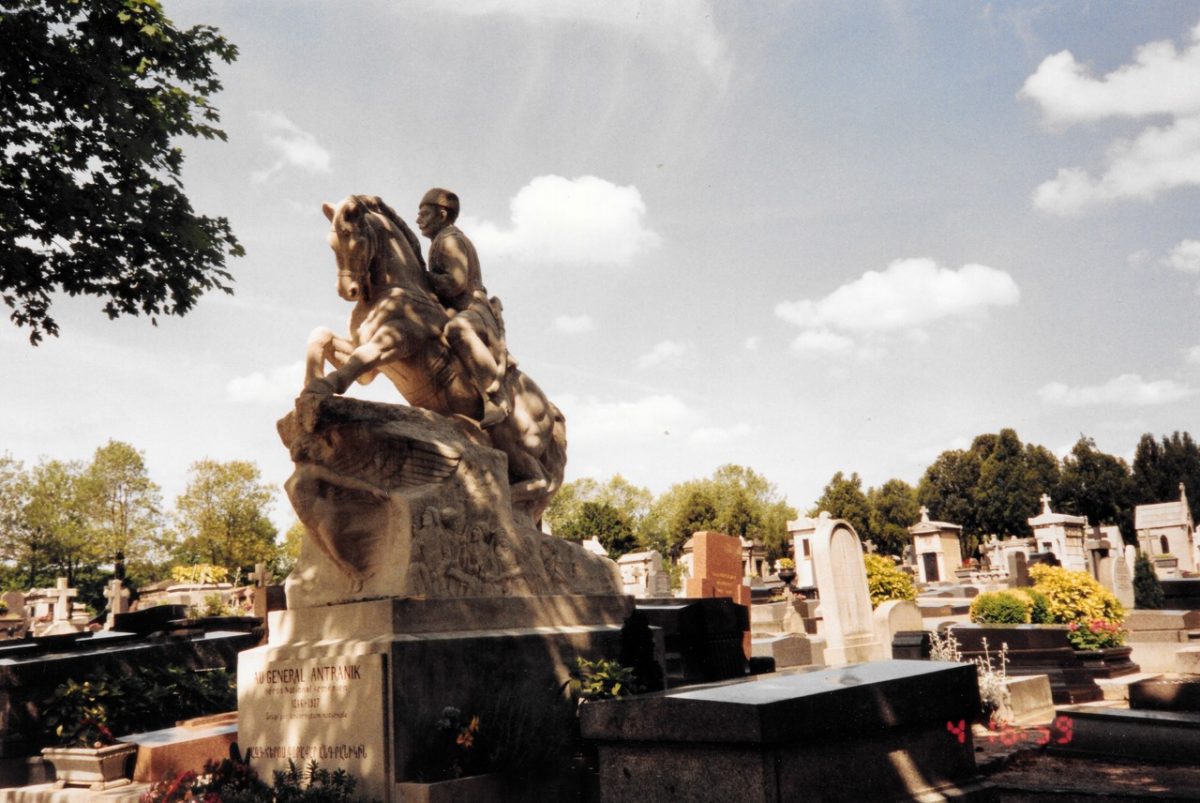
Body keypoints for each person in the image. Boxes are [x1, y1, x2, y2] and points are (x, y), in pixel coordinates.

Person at [416, 188, 509, 427]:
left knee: (457, 329)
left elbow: (455, 284)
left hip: (473, 310)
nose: (418, 219)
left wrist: (421, 276)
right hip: (455, 309)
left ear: (443, 215)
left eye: (425, 213)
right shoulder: (439, 241)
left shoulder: (450, 239)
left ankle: (496, 399)